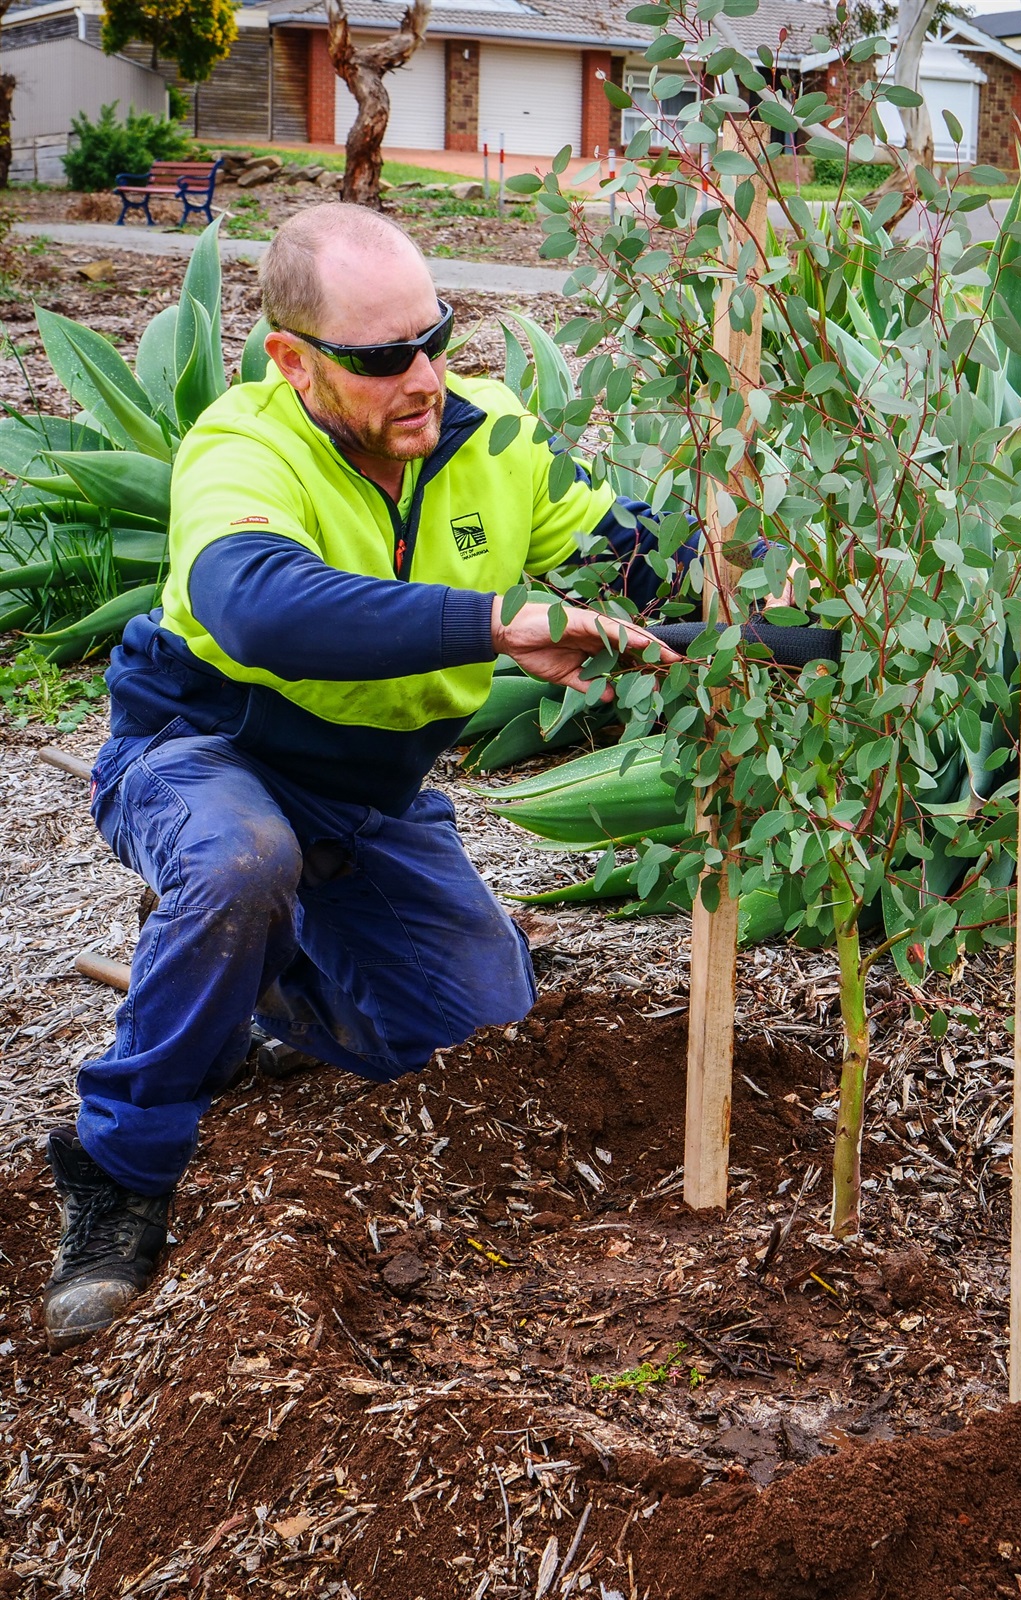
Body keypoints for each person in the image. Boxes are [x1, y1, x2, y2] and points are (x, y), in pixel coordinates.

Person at [41, 203, 684, 1352]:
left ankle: (247, 969)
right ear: (292, 358)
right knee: (243, 860)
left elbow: (641, 551)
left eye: (436, 338)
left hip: (367, 799)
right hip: (205, 752)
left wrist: (793, 603)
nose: (424, 378)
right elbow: (259, 603)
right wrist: (491, 619)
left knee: (474, 1035)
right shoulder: (244, 444)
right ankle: (116, 1165)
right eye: (384, 358)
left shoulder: (496, 439)